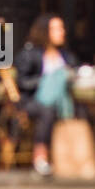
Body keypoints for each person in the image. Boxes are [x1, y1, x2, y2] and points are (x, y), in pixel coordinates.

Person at [15, 14, 79, 176]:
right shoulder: (30, 54)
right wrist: (47, 81)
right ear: (44, 31)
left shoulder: (65, 55)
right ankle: (40, 158)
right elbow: (22, 82)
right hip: (33, 100)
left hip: (62, 100)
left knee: (82, 110)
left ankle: (78, 156)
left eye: (62, 28)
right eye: (56, 29)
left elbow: (73, 75)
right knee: (47, 110)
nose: (61, 32)